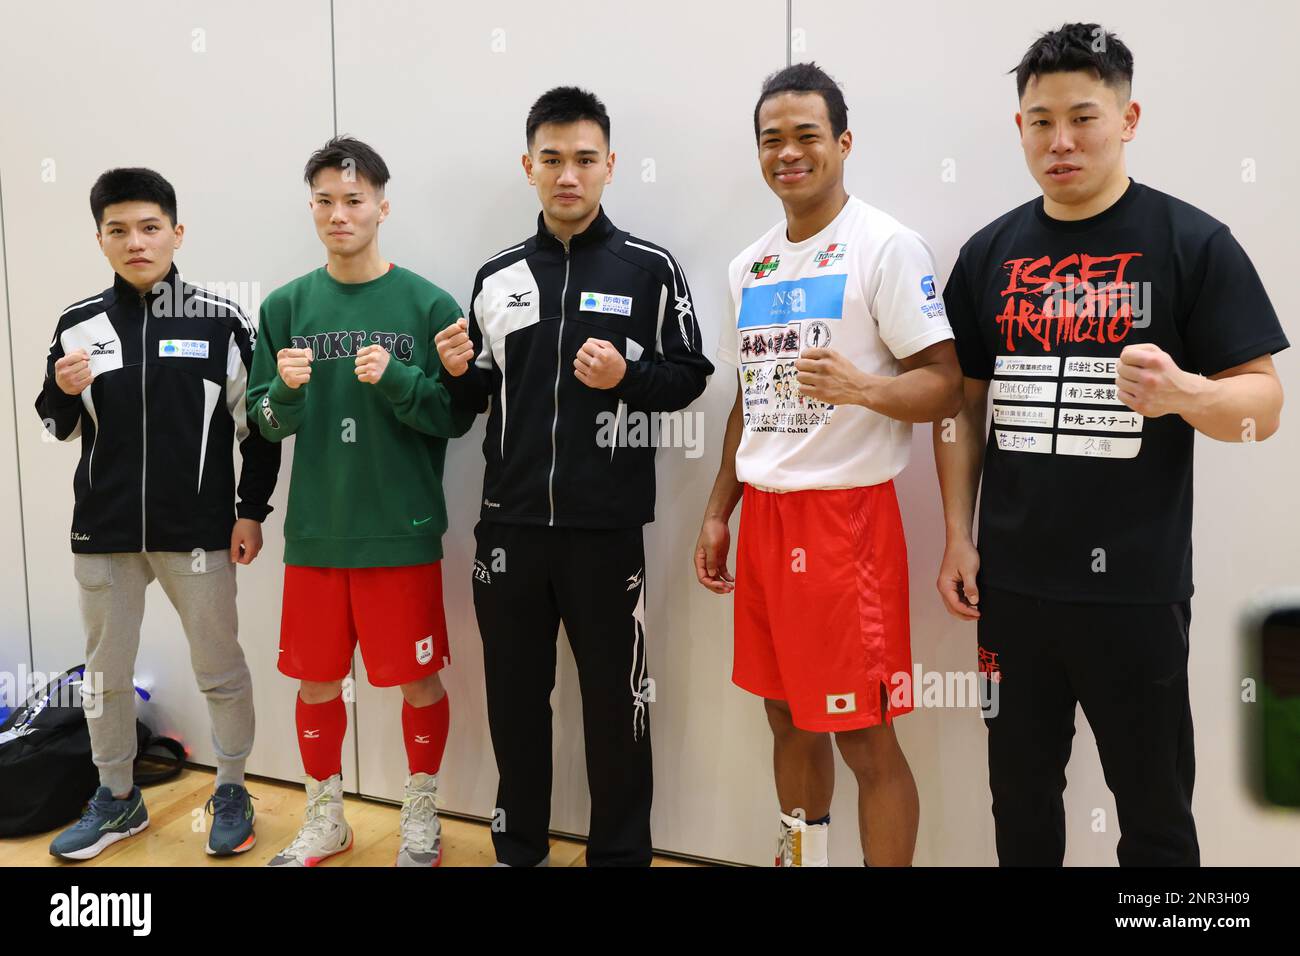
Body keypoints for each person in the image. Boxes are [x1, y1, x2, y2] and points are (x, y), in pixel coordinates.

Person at [933, 23, 1288, 866]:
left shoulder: (1192, 242)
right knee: (1018, 799)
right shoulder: (989, 253)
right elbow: (961, 408)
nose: (1060, 142)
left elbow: (1263, 405)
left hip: (1135, 587)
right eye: (1040, 120)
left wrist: (1187, 393)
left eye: (1083, 118)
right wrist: (957, 531)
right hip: (1012, 588)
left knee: (1156, 810)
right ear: (1018, 125)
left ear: (1128, 120)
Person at [434, 87, 713, 867]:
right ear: (529, 166)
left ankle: (620, 855)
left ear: (610, 166)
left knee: (616, 705)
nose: (568, 174)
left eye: (585, 159)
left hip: (605, 528)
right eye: (552, 159)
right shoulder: (497, 277)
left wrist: (628, 374)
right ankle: (518, 847)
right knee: (516, 705)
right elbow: (473, 402)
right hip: (510, 528)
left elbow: (690, 376)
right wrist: (457, 373)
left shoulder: (650, 269)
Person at [695, 63, 962, 866]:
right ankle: (801, 858)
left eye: (807, 135)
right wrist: (718, 509)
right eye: (771, 139)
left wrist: (866, 389)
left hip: (846, 526)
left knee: (863, 736)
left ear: (842, 142)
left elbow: (946, 387)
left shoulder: (885, 245)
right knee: (784, 715)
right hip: (769, 516)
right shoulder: (751, 265)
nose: (789, 152)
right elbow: (753, 397)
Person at [38, 167, 280, 860]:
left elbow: (257, 427)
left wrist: (250, 511)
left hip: (196, 532)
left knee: (220, 667)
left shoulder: (220, 319)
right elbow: (57, 427)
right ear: (100, 239)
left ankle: (231, 788)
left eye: (150, 228)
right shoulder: (78, 325)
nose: (136, 242)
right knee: (105, 676)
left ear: (177, 233)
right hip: (104, 532)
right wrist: (60, 392)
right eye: (119, 230)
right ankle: (117, 800)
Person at [247, 136, 473, 867]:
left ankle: (420, 811)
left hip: (400, 529)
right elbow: (263, 424)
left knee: (417, 677)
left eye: (353, 200)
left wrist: (403, 381)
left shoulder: (428, 302)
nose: (338, 215)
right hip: (317, 531)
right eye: (324, 202)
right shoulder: (284, 306)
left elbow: (454, 417)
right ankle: (326, 817)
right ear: (310, 207)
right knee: (316, 681)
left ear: (382, 205)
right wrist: (284, 391)